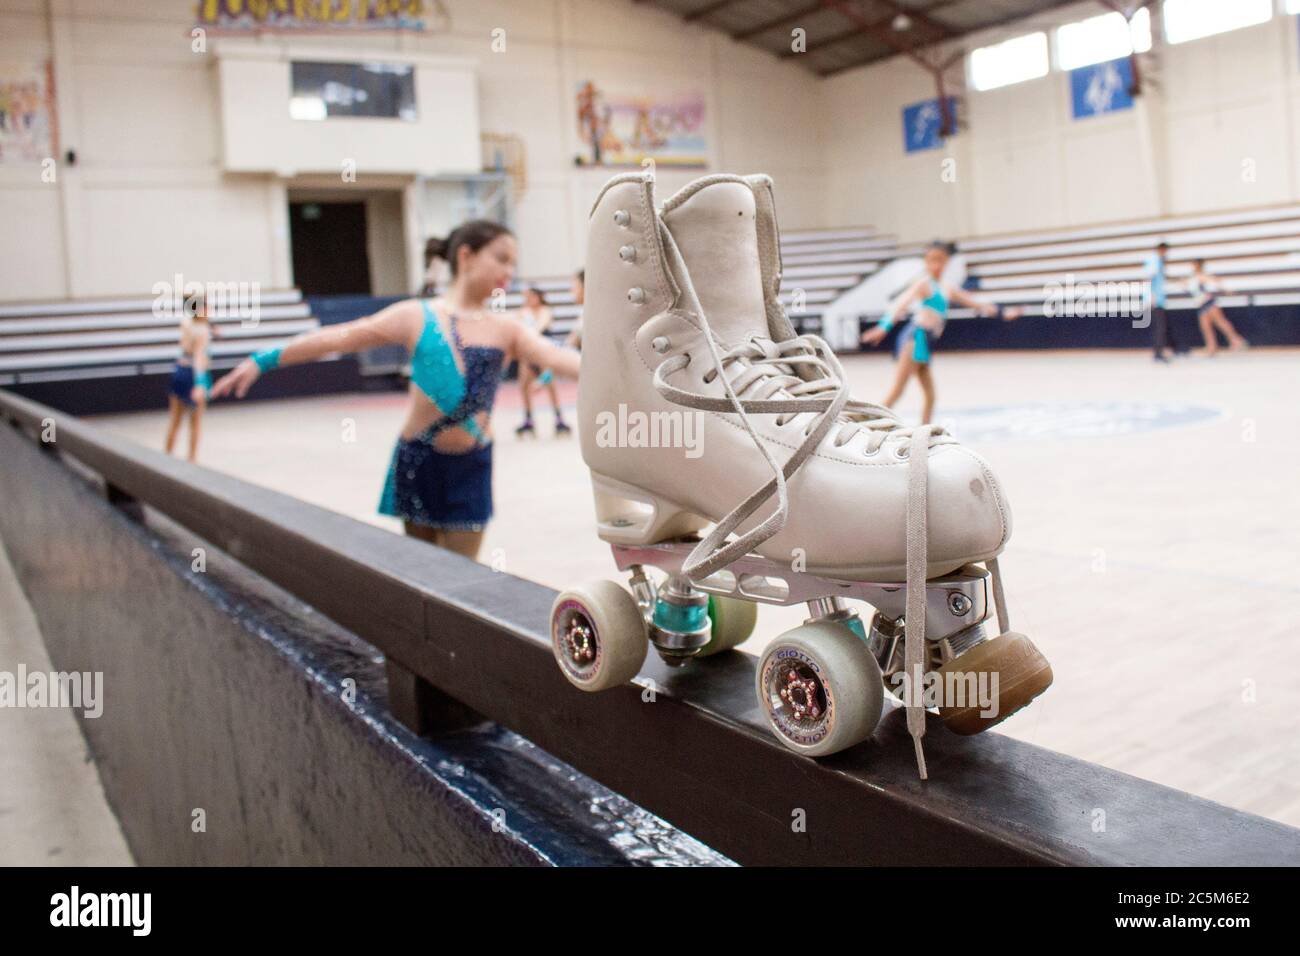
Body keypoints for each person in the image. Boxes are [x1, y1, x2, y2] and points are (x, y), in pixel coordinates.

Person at [211, 220, 581, 561]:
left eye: (514, 263)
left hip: (472, 464)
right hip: (419, 461)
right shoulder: (416, 316)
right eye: (501, 259)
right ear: (466, 255)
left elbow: (561, 360)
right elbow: (340, 337)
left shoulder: (508, 328)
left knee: (464, 576)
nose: (509, 272)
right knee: (423, 573)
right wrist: (263, 360)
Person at [860, 242, 1019, 424]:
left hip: (925, 342)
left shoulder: (946, 287)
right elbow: (900, 305)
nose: (936, 265)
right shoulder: (923, 284)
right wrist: (883, 327)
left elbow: (975, 303)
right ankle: (866, 422)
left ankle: (924, 431)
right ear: (926, 262)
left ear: (947, 262)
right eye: (931, 260)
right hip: (915, 339)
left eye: (940, 260)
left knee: (930, 396)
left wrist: (1003, 313)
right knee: (897, 391)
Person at [163, 290, 212, 462]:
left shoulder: (186, 324)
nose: (209, 309)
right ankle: (192, 461)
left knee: (174, 421)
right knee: (195, 424)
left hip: (180, 372)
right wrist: (199, 383)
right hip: (194, 375)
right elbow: (199, 358)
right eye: (205, 305)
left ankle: (166, 458)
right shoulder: (202, 331)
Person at [514, 287, 570, 436]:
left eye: (532, 296)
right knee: (524, 386)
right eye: (527, 297)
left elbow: (541, 326)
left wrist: (530, 333)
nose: (529, 299)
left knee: (550, 386)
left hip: (544, 352)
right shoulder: (523, 312)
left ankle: (559, 418)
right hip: (528, 354)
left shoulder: (545, 310)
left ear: (539, 297)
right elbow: (517, 327)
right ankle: (528, 419)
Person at [1189, 259, 1248, 356]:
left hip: (1208, 302)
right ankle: (1211, 347)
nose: (1194, 267)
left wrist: (1226, 289)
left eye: (1195, 265)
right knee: (1205, 327)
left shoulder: (1202, 276)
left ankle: (1237, 340)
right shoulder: (1193, 277)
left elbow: (1214, 281)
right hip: (1201, 305)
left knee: (1221, 323)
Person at [1144, 241, 1183, 362]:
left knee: (1165, 325)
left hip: (1159, 298)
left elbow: (1161, 278)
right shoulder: (1154, 261)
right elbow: (1148, 278)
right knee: (1160, 327)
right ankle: (1158, 354)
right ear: (1161, 250)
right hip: (1155, 299)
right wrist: (1151, 296)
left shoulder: (1159, 262)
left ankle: (1174, 348)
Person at [563, 269, 585, 349]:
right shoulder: (584, 314)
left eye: (575, 286)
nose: (571, 290)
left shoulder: (588, 317)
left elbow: (569, 346)